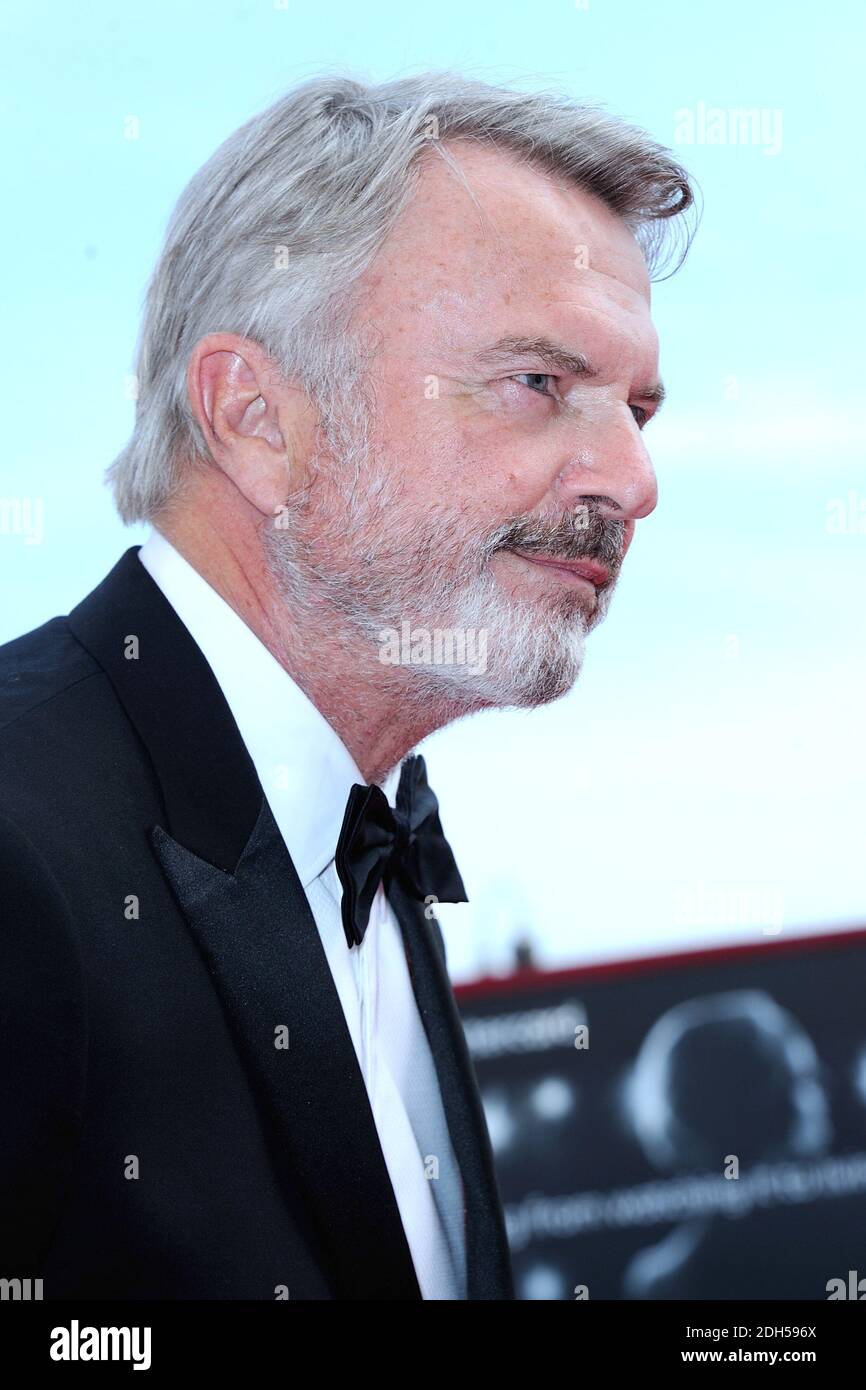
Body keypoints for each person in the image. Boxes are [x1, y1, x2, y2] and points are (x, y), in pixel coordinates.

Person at [0, 72, 695, 1300]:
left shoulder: (365, 836)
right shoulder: (20, 835)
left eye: (636, 408)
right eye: (538, 382)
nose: (631, 479)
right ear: (257, 417)